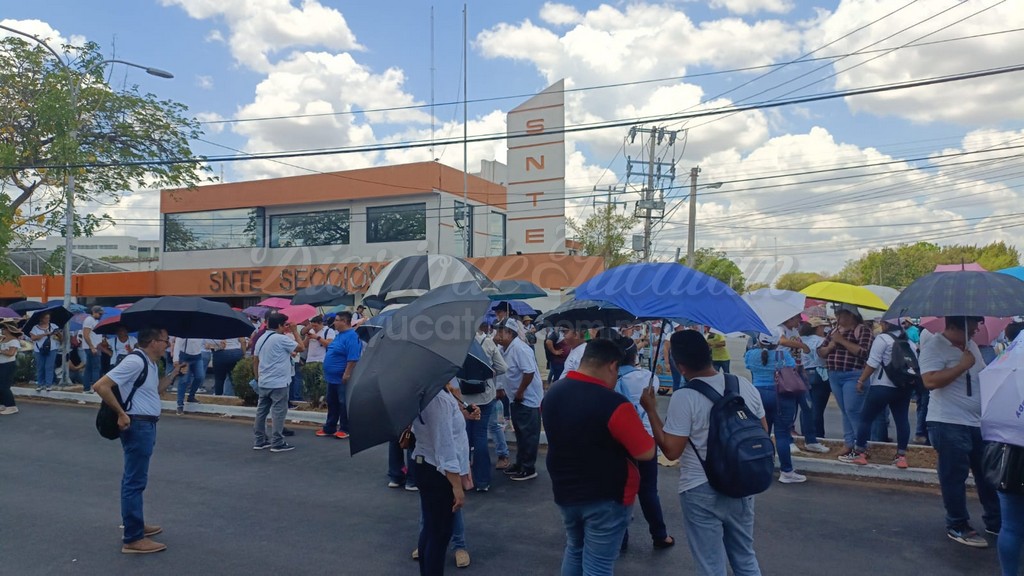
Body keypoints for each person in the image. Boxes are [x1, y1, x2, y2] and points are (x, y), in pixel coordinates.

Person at [640, 329, 766, 576]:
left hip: (700, 488)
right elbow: (762, 431)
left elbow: (672, 451)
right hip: (742, 483)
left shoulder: (684, 397)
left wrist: (651, 410)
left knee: (710, 566)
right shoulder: (744, 385)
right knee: (745, 558)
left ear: (679, 365)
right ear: (709, 353)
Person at [543, 338, 656, 574]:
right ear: (612, 366)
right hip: (606, 497)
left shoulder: (553, 393)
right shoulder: (614, 403)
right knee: (599, 566)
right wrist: (651, 409)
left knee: (575, 549)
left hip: (566, 491)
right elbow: (645, 451)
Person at [92, 327, 187, 553]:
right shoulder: (135, 361)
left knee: (135, 479)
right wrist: (121, 413)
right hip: (138, 425)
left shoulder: (150, 363)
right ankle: (133, 538)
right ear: (153, 342)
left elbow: (154, 390)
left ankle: (137, 524)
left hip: (146, 425)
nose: (168, 344)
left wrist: (174, 373)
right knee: (134, 481)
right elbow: (100, 386)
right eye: (165, 340)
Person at [919, 316, 1000, 547]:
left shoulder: (970, 345)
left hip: (976, 422)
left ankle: (996, 521)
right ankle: (957, 525)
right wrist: (961, 366)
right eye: (975, 323)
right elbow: (930, 381)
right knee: (954, 476)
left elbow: (982, 375)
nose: (978, 328)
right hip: (947, 422)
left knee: (988, 475)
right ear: (958, 324)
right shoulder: (933, 347)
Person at [610, 336, 673, 553]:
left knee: (620, 491)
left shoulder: (611, 381)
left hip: (620, 442)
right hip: (646, 440)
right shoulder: (650, 378)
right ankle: (660, 535)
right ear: (635, 355)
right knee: (648, 491)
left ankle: (621, 539)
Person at [412, 386, 469, 576]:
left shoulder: (429, 392)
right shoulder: (438, 399)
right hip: (437, 472)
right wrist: (456, 486)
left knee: (431, 528)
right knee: (439, 534)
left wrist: (460, 409)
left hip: (425, 465)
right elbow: (444, 446)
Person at [849, 319, 916, 468]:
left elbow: (872, 363)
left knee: (866, 418)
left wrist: (861, 381)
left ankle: (860, 453)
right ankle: (901, 456)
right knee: (902, 420)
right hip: (903, 387)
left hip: (882, 386)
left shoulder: (882, 339)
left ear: (886, 325)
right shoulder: (909, 342)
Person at [744, 334, 808, 484]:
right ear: (776, 342)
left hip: (758, 394)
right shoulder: (783, 354)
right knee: (782, 435)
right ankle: (786, 472)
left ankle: (758, 468)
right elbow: (793, 367)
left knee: (761, 433)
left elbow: (747, 365)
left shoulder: (751, 354)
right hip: (781, 395)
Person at [818, 304, 873, 459]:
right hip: (835, 374)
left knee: (853, 411)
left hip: (853, 374)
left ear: (850, 315)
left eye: (840, 315)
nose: (837, 318)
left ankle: (861, 446)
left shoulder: (863, 330)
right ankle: (849, 443)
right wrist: (831, 346)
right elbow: (821, 352)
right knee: (845, 411)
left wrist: (841, 341)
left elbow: (864, 352)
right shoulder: (834, 332)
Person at [493, 319, 543, 481]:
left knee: (528, 434)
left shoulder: (520, 349)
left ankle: (528, 468)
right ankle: (520, 463)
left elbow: (529, 372)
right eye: (497, 332)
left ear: (511, 333)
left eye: (501, 332)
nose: (498, 335)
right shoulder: (503, 349)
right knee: (520, 433)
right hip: (515, 397)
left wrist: (520, 392)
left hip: (526, 398)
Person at [460, 323, 506, 492]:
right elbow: (502, 367)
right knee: (480, 437)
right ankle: (482, 481)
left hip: (463, 397)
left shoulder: (458, 343)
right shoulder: (487, 342)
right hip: (485, 396)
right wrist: (489, 373)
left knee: (464, 437)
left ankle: (464, 478)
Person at [252, 313, 304, 452]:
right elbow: (301, 348)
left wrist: (257, 378)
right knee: (278, 413)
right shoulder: (281, 339)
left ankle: (260, 440)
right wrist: (294, 331)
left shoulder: (261, 338)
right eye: (285, 325)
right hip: (279, 382)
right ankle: (277, 442)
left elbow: (255, 360)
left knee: (261, 412)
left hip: (264, 381)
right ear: (280, 325)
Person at [319, 311, 360, 439]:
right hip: (331, 377)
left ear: (344, 322)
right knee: (332, 402)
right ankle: (330, 427)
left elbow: (353, 358)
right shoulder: (339, 335)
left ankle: (345, 428)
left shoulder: (352, 336)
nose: (334, 322)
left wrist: (347, 374)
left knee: (343, 403)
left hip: (342, 377)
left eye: (337, 320)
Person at [800, 319, 831, 440]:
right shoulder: (821, 341)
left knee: (805, 406)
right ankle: (817, 435)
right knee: (818, 408)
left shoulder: (800, 340)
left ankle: (805, 433)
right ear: (818, 328)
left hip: (803, 372)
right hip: (819, 373)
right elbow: (823, 358)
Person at [29, 312, 60, 391]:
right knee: (40, 367)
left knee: (49, 366)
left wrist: (58, 334)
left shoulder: (53, 326)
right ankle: (40, 383)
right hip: (39, 349)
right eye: (46, 318)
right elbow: (33, 338)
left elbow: (61, 338)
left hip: (52, 348)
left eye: (48, 318)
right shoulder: (35, 328)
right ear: (41, 319)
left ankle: (48, 384)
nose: (47, 320)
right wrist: (45, 334)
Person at [0, 320, 24, 415]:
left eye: (4, 328)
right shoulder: (3, 339)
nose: (2, 330)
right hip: (1, 364)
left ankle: (11, 406)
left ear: (9, 329)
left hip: (8, 365)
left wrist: (1, 351)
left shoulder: (14, 341)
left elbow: (11, 353)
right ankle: (2, 404)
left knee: (4, 386)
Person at [82, 305, 105, 392]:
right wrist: (92, 347)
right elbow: (86, 335)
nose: (101, 315)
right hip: (92, 347)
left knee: (89, 368)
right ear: (94, 312)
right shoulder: (89, 320)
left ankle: (87, 387)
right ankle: (95, 388)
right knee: (96, 368)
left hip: (94, 346)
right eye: (99, 314)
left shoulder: (94, 320)